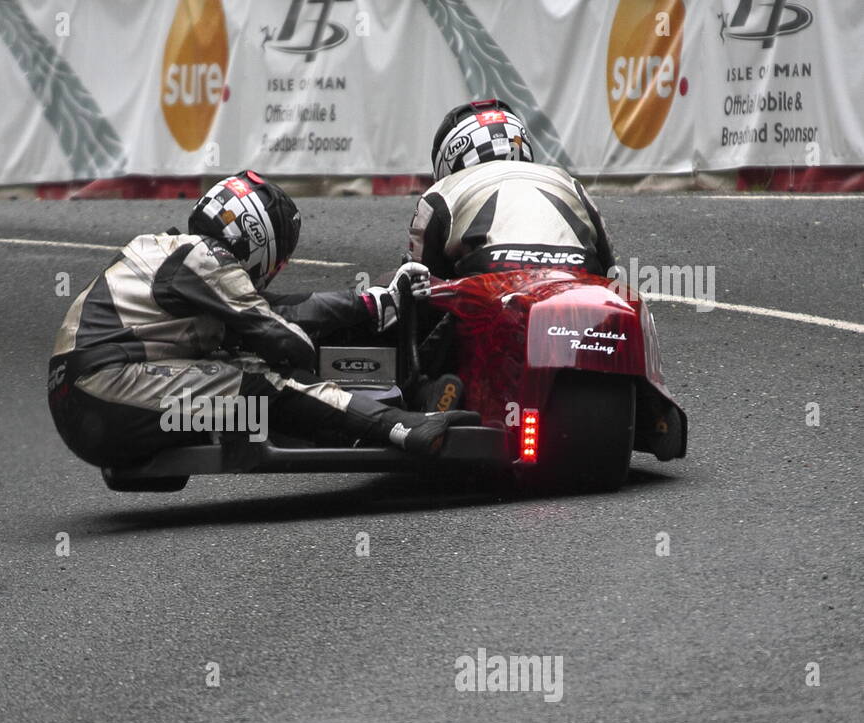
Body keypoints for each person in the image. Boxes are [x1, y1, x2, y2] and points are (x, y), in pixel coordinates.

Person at [48, 170, 478, 470]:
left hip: (89, 403)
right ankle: (403, 427)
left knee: (253, 394)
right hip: (107, 390)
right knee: (265, 381)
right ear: (259, 240)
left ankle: (359, 427)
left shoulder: (172, 252)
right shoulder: (204, 258)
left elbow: (273, 310)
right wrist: (315, 352)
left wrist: (370, 303)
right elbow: (284, 337)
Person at [407, 98, 616, 279]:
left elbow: (419, 281)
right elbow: (610, 269)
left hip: (492, 282)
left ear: (452, 155)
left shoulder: (441, 191)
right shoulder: (566, 181)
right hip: (578, 275)